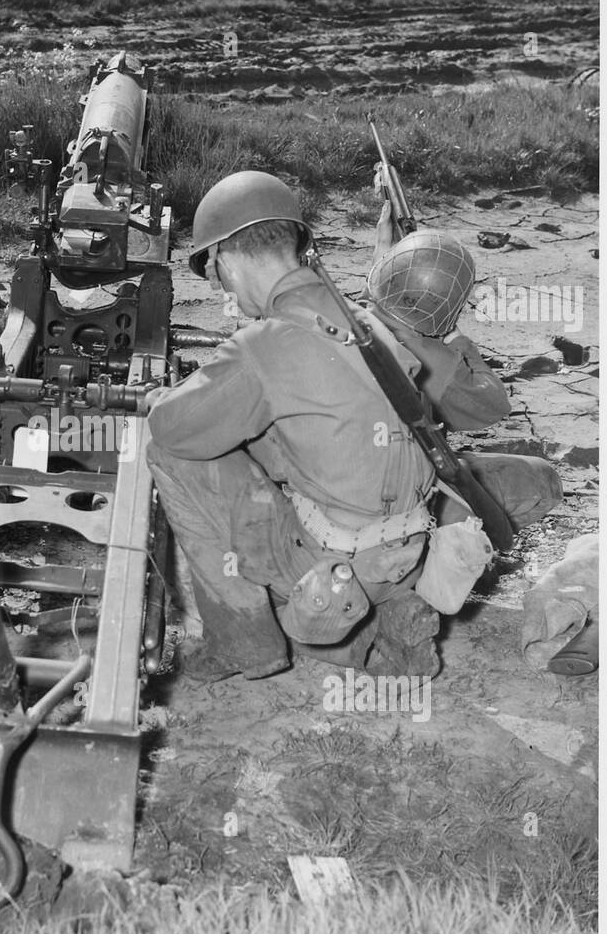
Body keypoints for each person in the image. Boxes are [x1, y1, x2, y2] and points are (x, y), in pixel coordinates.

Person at [146, 173, 557, 685]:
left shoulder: (261, 347)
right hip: (413, 545)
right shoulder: (368, 320)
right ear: (302, 244)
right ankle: (385, 612)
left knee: (169, 453)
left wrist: (160, 398)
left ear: (224, 258)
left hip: (338, 561)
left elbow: (174, 430)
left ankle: (247, 642)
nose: (221, 286)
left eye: (214, 273)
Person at [364, 223, 561, 545]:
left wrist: (386, 252)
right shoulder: (438, 363)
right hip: (403, 494)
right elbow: (494, 405)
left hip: (344, 482)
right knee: (542, 480)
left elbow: (373, 297)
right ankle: (458, 554)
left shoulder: (349, 319)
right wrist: (457, 340)